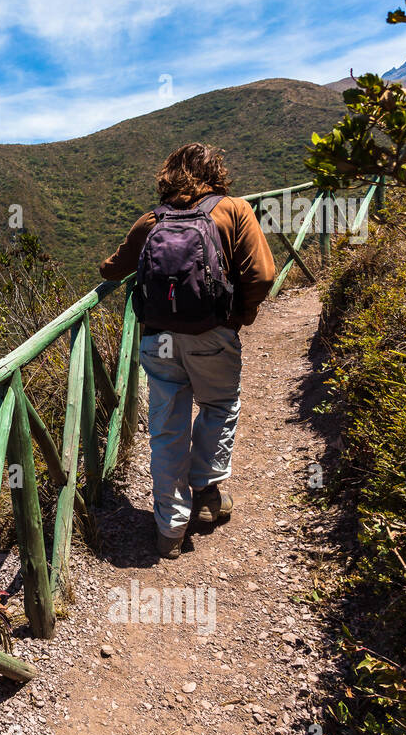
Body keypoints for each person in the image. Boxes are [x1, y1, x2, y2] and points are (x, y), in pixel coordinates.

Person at [98, 143, 275, 558]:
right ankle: (206, 494)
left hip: (158, 338)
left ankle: (169, 530)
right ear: (217, 172)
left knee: (167, 429)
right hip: (213, 333)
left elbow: (111, 269)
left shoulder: (152, 220)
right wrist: (240, 316)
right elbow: (263, 274)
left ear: (169, 174)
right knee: (218, 407)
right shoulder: (233, 210)